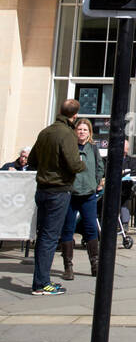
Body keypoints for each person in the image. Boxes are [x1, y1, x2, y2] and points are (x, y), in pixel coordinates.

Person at [27, 99, 85, 295]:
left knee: (43, 236)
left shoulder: (46, 132)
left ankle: (40, 281)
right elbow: (74, 164)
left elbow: (32, 160)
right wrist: (82, 164)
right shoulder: (67, 134)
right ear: (74, 116)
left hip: (42, 189)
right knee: (49, 238)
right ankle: (42, 284)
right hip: (58, 190)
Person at [59, 118, 104, 280]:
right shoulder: (69, 148)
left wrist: (97, 181)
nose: (82, 132)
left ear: (89, 132)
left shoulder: (93, 148)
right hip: (71, 194)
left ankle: (95, 264)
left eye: (85, 130)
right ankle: (68, 267)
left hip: (88, 194)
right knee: (68, 228)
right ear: (75, 131)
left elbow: (100, 167)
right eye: (79, 129)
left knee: (91, 227)